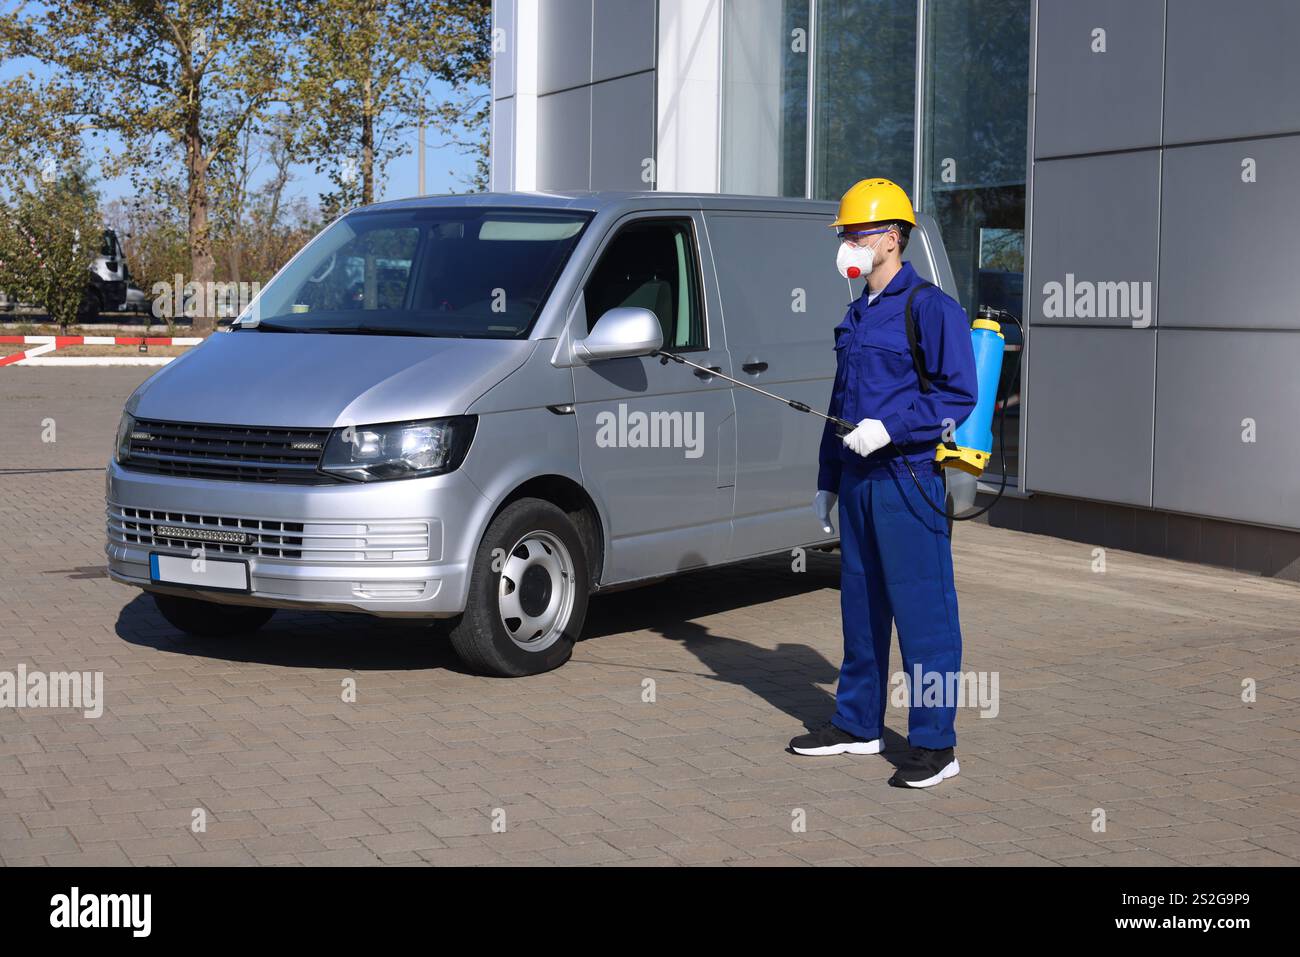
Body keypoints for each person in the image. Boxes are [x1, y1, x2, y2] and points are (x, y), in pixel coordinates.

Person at [788, 178, 977, 789]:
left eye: (857, 232)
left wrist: (891, 429)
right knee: (860, 609)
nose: (847, 242)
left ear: (892, 237)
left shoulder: (930, 308)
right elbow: (839, 402)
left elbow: (957, 397)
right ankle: (857, 725)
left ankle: (934, 744)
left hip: (909, 480)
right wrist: (828, 478)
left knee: (924, 614)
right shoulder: (857, 312)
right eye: (845, 233)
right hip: (860, 480)